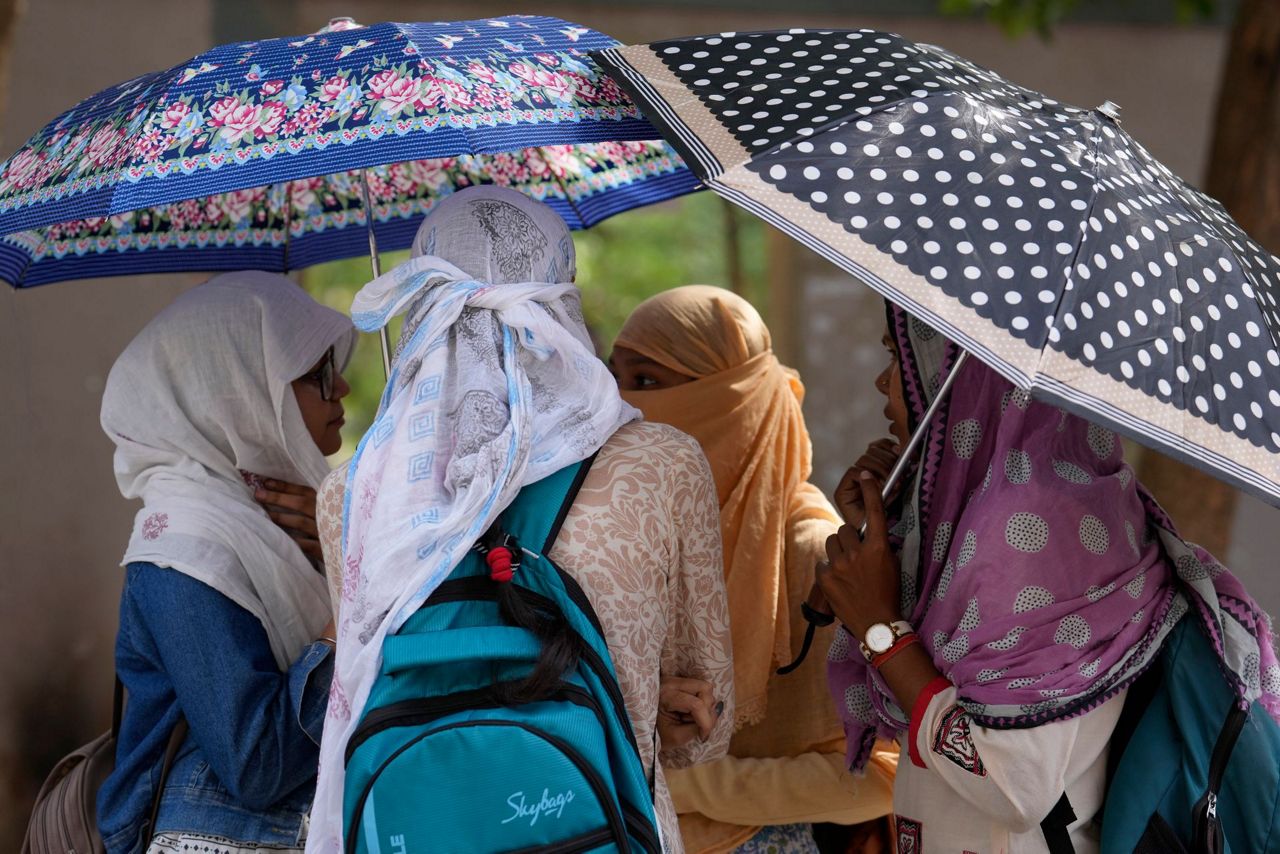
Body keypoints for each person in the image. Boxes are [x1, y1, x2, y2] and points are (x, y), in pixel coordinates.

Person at [309, 187, 735, 853]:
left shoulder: (349, 495)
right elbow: (709, 726)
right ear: (561, 297)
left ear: (423, 306)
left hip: (415, 826)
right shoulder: (663, 463)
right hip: (596, 826)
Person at [820, 306, 1280, 853]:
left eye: (898, 357)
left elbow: (1015, 785)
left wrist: (881, 632)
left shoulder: (1027, 534)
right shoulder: (976, 526)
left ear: (969, 381)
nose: (883, 380)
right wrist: (882, 533)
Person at [610, 286, 896, 854]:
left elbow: (882, 775)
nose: (619, 405)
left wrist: (686, 784)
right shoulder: (630, 541)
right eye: (612, 378)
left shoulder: (818, 559)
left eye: (644, 382)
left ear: (729, 400)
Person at [96, 271, 358, 854]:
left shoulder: (270, 512)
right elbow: (258, 764)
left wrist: (341, 544)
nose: (340, 387)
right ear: (235, 389)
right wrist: (359, 585)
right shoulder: (184, 548)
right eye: (316, 373)